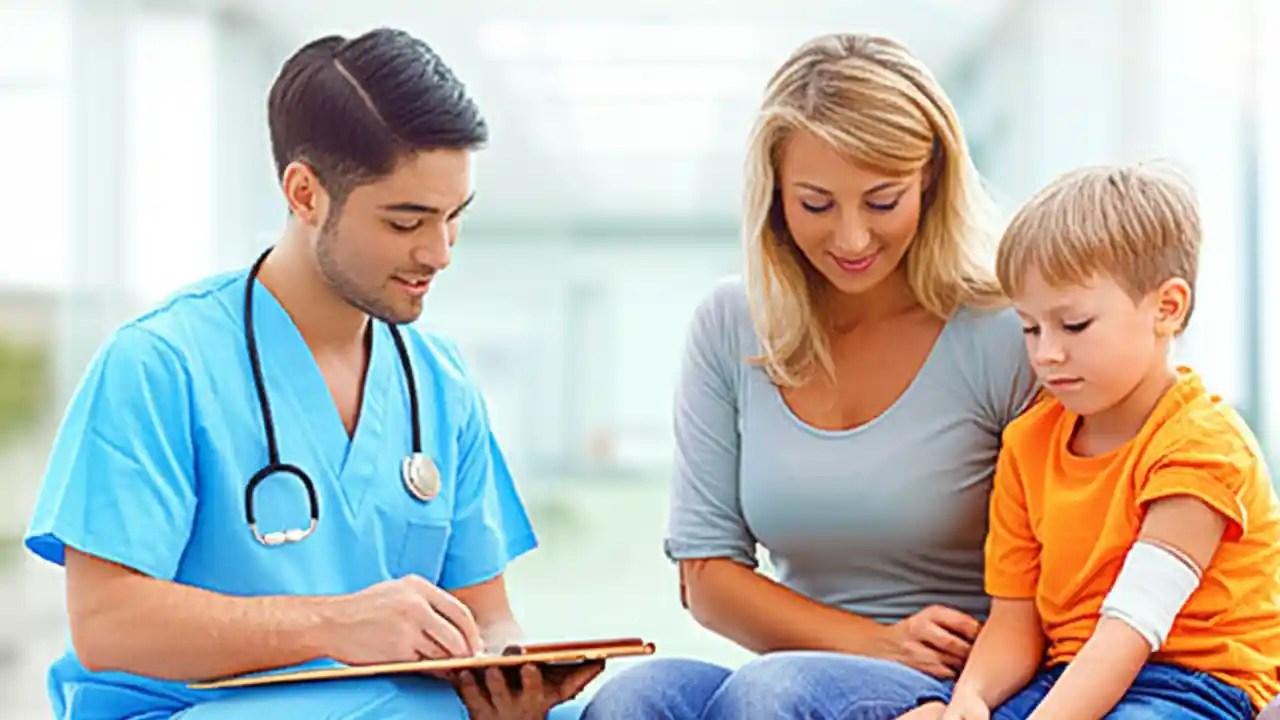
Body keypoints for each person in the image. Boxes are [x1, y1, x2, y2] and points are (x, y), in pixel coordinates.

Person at [23, 28, 600, 720]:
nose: (439, 252)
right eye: (406, 222)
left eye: (453, 218)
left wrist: (507, 680)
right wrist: (334, 625)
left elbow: (487, 614)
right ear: (305, 194)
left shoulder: (439, 384)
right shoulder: (159, 364)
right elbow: (107, 623)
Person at [583, 32, 1037, 719]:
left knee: (772, 693)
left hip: (960, 682)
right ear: (774, 196)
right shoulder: (730, 323)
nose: (852, 239)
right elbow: (707, 578)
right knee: (633, 699)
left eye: (882, 202)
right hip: (798, 677)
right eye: (817, 205)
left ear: (931, 181)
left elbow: (1072, 564)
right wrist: (877, 644)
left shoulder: (1005, 332)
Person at [898, 163, 1280, 720]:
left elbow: (1132, 626)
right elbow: (1014, 621)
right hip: (1065, 677)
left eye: (1073, 325)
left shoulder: (1203, 447)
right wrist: (970, 698)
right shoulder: (1028, 443)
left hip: (1196, 685)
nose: (1046, 354)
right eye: (1030, 328)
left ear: (1167, 308)